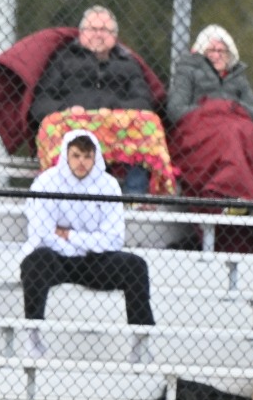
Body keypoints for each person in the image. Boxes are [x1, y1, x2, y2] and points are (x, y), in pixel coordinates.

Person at [18, 129, 155, 361]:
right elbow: (42, 232)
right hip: (57, 259)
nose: (81, 162)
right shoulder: (46, 182)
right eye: (76, 155)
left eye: (87, 156)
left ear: (96, 157)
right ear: (66, 155)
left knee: (136, 266)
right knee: (35, 262)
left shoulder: (108, 185)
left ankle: (140, 342)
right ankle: (33, 336)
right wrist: (84, 242)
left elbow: (114, 238)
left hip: (94, 262)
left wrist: (70, 236)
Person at [28, 5, 166, 194]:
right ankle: (60, 192)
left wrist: (115, 110)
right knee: (51, 124)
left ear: (115, 36)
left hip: (116, 128)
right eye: (93, 29)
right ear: (81, 33)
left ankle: (135, 196)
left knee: (149, 124)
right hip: (73, 124)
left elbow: (144, 102)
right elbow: (40, 104)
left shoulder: (128, 63)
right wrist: (67, 110)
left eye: (105, 30)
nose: (98, 35)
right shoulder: (63, 59)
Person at [167, 23, 253, 126]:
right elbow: (175, 111)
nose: (217, 55)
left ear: (229, 54)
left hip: (233, 129)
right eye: (211, 50)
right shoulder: (187, 70)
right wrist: (212, 110)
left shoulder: (238, 77)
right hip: (200, 129)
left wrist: (231, 107)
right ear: (201, 52)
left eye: (221, 51)